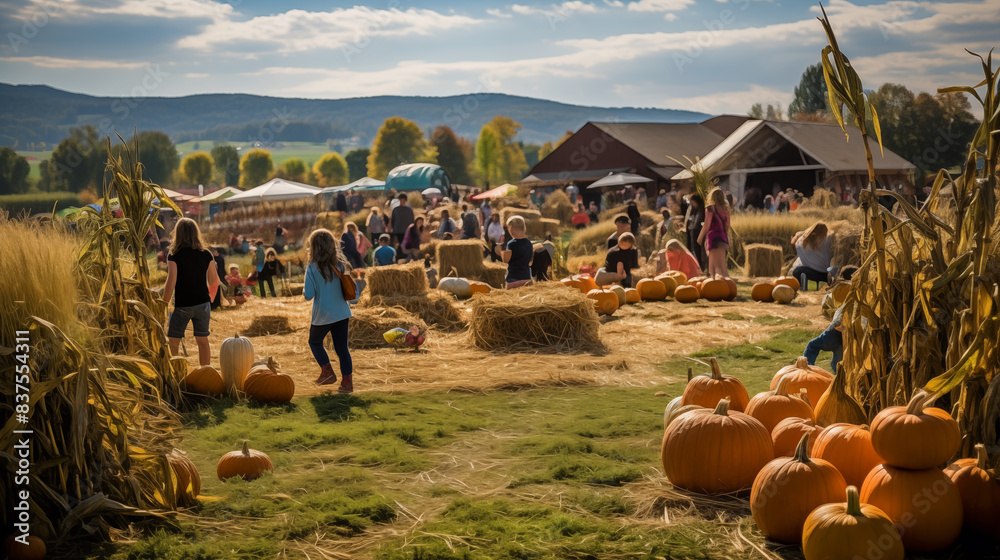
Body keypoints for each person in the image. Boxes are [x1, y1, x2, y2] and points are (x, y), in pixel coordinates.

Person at [162, 218, 220, 366]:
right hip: (203, 304)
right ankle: (206, 373)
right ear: (196, 233)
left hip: (183, 305)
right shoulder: (206, 254)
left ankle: (176, 374)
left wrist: (162, 304)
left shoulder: (174, 255)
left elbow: (171, 281)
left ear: (178, 234)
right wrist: (210, 299)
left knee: (173, 341)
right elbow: (215, 281)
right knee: (202, 341)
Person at [304, 228, 354, 392]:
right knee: (342, 350)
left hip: (323, 316)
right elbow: (355, 292)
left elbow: (308, 295)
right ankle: (347, 383)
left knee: (315, 342)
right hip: (342, 313)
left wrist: (306, 290)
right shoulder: (342, 265)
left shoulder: (312, 268)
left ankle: (327, 372)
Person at [698, 188, 731, 278]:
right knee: (722, 265)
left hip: (713, 238)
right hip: (723, 237)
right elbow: (727, 225)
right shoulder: (726, 208)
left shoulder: (710, 208)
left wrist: (700, 237)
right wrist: (724, 235)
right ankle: (728, 284)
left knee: (715, 266)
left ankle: (717, 284)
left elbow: (707, 225)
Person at [791, 222, 834, 290]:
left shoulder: (802, 243)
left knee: (796, 271)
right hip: (825, 274)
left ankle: (799, 289)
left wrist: (801, 234)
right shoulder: (827, 241)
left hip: (809, 273)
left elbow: (795, 242)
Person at [804, 304, 845, 373]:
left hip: (847, 338)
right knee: (813, 345)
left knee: (838, 361)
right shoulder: (848, 305)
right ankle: (807, 367)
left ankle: (839, 375)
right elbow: (837, 326)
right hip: (834, 335)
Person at [502, 216, 533, 288]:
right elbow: (530, 260)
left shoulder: (511, 244)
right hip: (526, 278)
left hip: (513, 278)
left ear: (511, 228)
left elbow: (507, 260)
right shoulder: (529, 243)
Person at [684, 193, 706, 269]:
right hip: (692, 231)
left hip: (698, 231)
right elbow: (689, 219)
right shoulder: (692, 210)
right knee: (692, 249)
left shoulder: (701, 210)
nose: (692, 204)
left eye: (693, 202)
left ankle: (700, 267)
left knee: (698, 250)